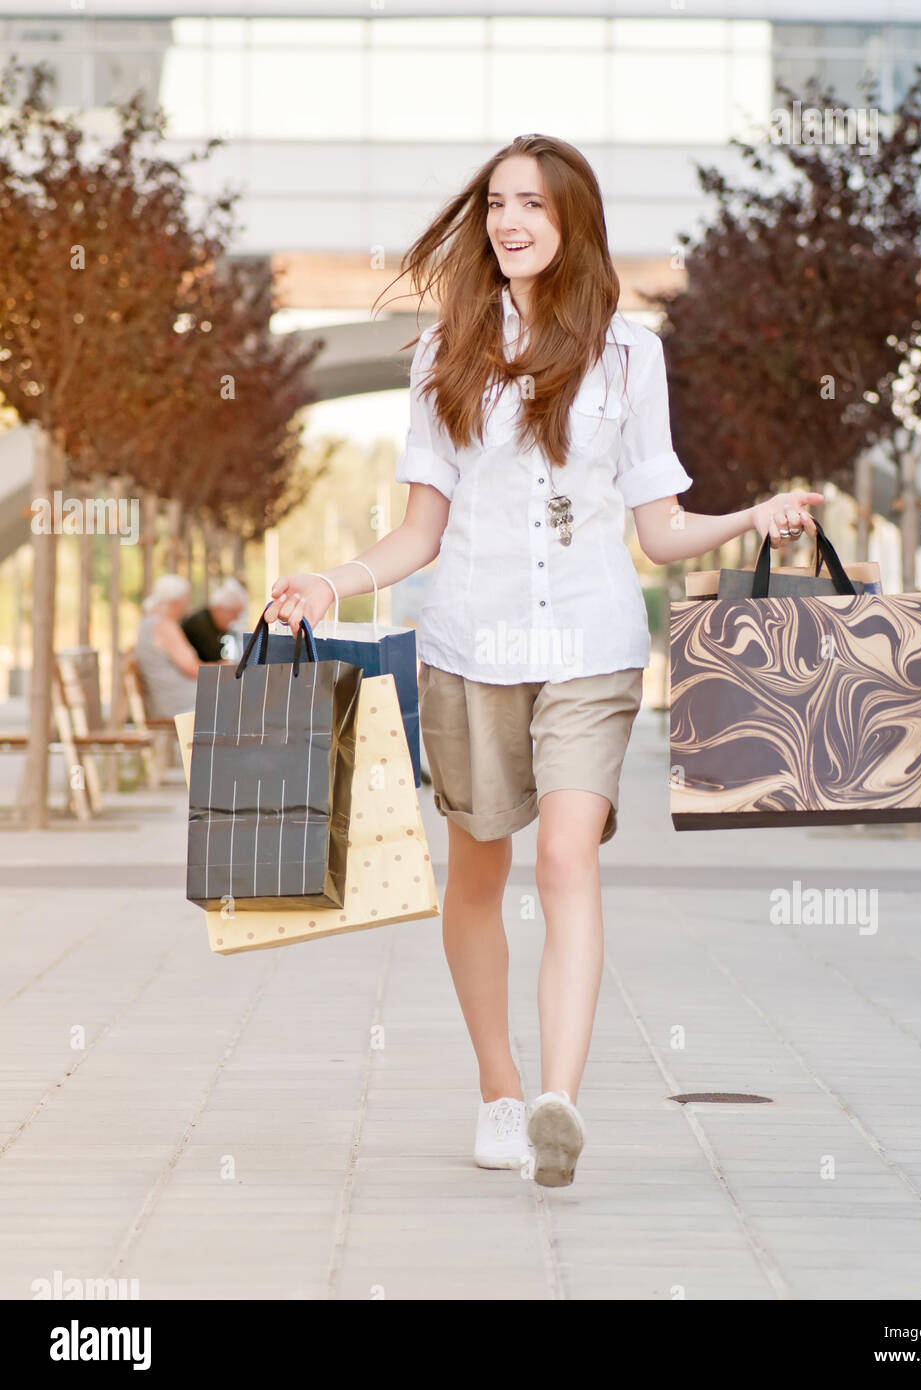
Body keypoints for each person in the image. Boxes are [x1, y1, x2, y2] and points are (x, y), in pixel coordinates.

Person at [264, 134, 822, 1187]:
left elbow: (657, 532)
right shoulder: (444, 354)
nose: (509, 221)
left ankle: (561, 1100)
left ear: (574, 223)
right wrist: (329, 583)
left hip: (590, 644)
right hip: (470, 646)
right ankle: (501, 1089)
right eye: (495, 204)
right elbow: (419, 533)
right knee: (478, 868)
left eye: (532, 204)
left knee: (569, 856)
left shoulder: (628, 354)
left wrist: (755, 514)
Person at [133, 574, 212, 718]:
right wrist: (223, 670)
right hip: (180, 703)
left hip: (164, 700)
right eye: (186, 602)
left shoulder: (146, 623)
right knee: (233, 700)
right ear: (176, 602)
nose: (188, 608)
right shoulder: (164, 626)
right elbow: (193, 669)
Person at [181, 578, 248, 663]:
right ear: (220, 608)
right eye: (234, 613)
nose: (236, 618)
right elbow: (215, 659)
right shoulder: (200, 625)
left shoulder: (213, 625)